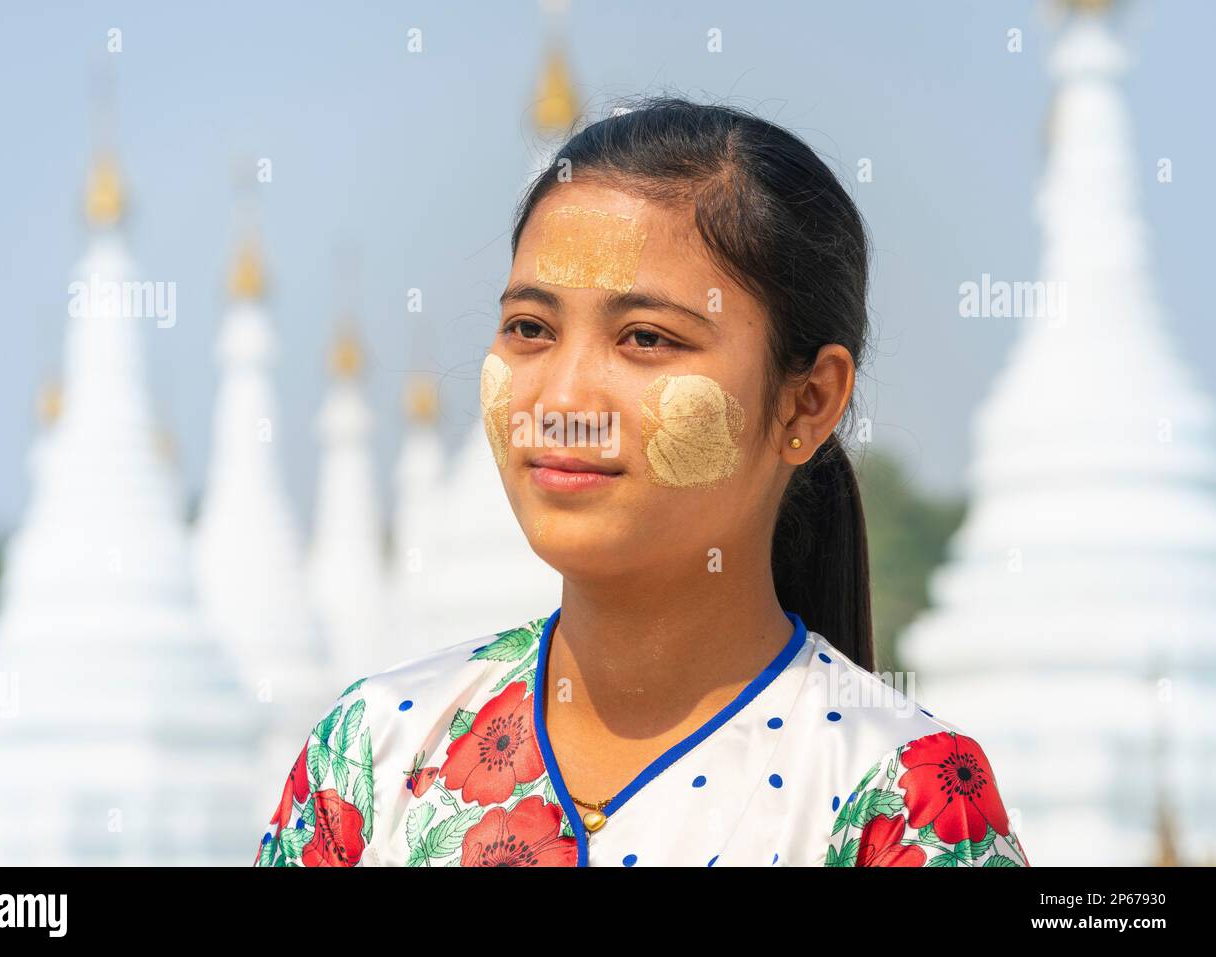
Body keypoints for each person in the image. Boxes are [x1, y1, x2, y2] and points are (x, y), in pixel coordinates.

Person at [254, 96, 1030, 868]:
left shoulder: (903, 800)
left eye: (646, 339)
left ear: (808, 400)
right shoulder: (374, 758)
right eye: (530, 328)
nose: (560, 401)